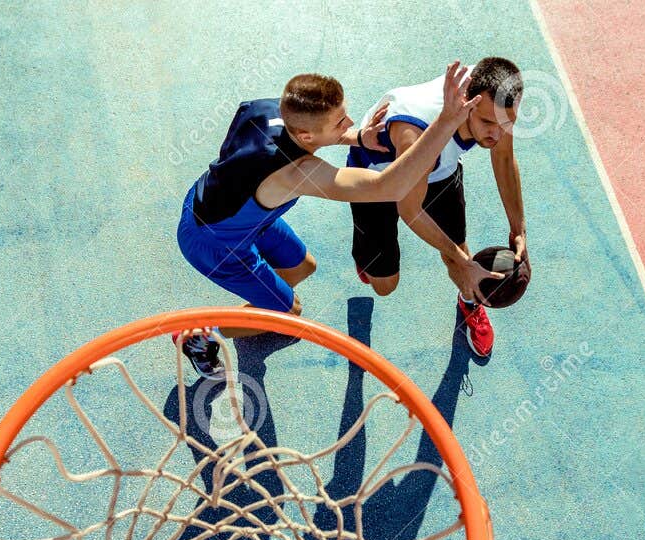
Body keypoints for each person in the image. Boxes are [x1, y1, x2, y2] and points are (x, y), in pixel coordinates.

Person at [175, 61, 481, 373]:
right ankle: (199, 334)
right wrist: (445, 122)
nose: (350, 122)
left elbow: (286, 137)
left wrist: (358, 138)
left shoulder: (269, 109)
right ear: (306, 135)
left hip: (222, 207)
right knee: (289, 313)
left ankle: (264, 299)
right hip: (216, 244)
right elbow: (389, 187)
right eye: (340, 123)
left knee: (303, 267)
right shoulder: (297, 174)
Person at [346, 58, 528, 357]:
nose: (497, 134)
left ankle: (469, 303)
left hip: (439, 170)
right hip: (378, 178)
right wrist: (463, 260)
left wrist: (517, 229)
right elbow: (411, 210)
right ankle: (366, 256)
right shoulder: (416, 131)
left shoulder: (496, 99)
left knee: (459, 255)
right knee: (384, 285)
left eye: (506, 124)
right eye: (487, 123)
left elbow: (504, 158)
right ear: (466, 102)